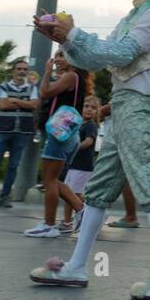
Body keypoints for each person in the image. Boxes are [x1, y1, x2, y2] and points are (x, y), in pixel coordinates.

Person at [28, 0, 150, 300]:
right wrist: (63, 38)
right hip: (126, 106)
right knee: (98, 189)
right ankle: (78, 267)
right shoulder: (131, 18)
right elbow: (99, 57)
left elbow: (119, 54)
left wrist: (73, 33)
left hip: (141, 106)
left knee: (148, 182)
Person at [23, 52, 89, 239]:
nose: (58, 59)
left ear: (74, 59)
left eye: (63, 56)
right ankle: (82, 210)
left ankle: (48, 225)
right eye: (57, 56)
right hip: (70, 134)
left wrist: (46, 72)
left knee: (49, 181)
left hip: (60, 134)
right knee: (55, 180)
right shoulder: (76, 78)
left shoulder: (71, 76)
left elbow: (44, 92)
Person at [0, 56, 39, 209]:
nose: (22, 72)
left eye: (25, 69)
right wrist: (24, 103)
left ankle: (4, 198)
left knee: (13, 166)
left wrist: (15, 100)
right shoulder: (4, 86)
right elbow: (3, 104)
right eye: (19, 69)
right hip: (3, 130)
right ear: (13, 71)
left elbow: (34, 105)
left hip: (22, 132)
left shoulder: (32, 88)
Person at [59, 93, 101, 233]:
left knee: (72, 194)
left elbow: (89, 141)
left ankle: (68, 221)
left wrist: (74, 146)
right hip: (73, 165)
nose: (89, 109)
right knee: (70, 194)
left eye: (93, 108)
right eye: (86, 106)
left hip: (83, 166)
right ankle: (76, 218)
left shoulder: (91, 126)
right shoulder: (77, 124)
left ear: (96, 112)